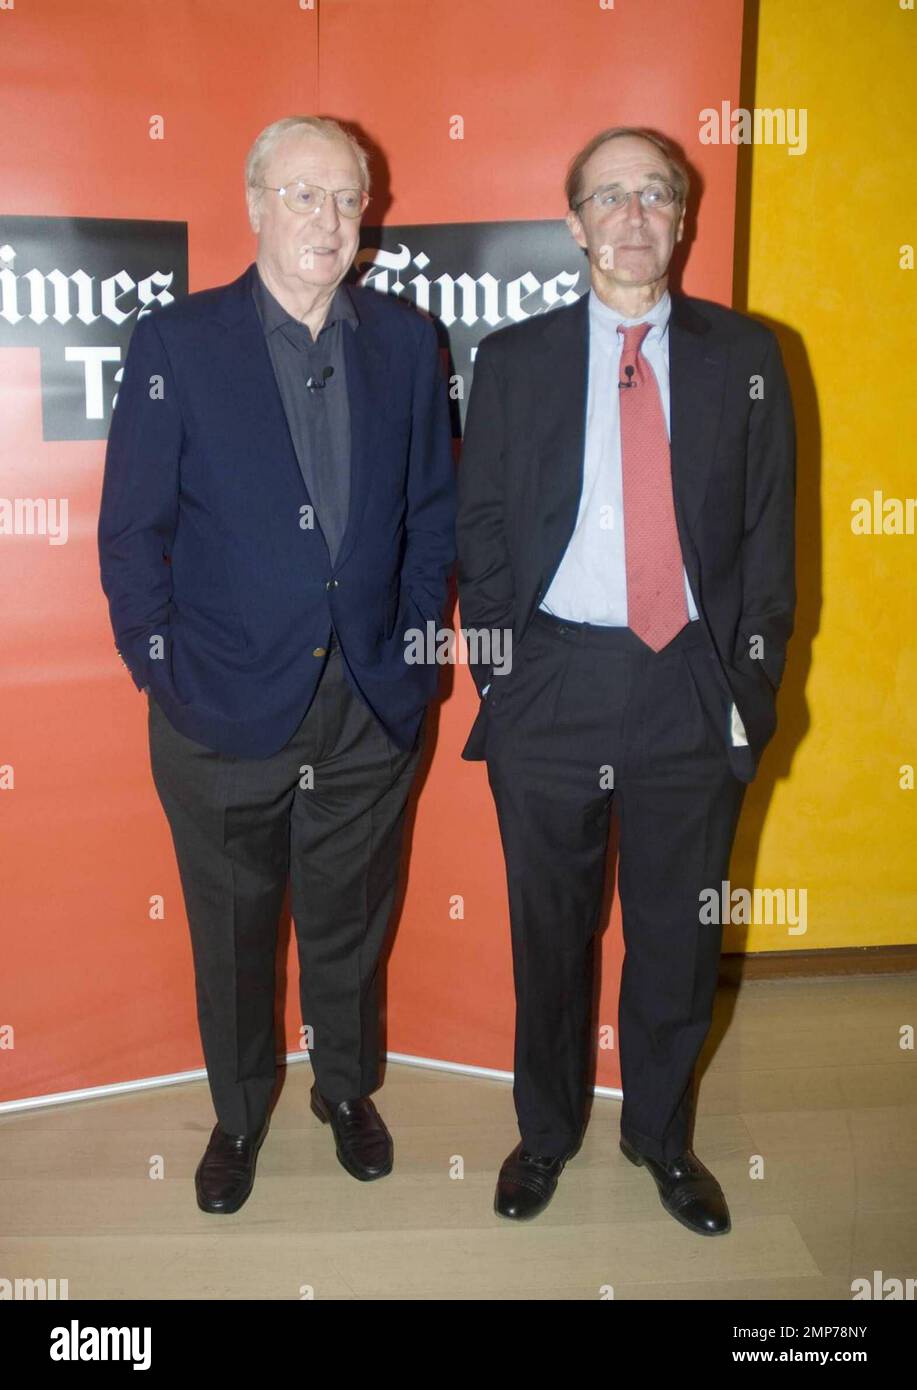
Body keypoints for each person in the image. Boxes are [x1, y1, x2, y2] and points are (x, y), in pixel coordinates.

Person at [98, 115, 455, 1214]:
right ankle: (239, 1113)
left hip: (366, 704)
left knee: (349, 917)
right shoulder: (178, 345)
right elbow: (131, 533)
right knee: (233, 928)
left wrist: (405, 648)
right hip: (218, 704)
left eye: (346, 198)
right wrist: (164, 670)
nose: (327, 218)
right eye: (302, 195)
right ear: (253, 203)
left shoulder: (407, 341)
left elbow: (431, 514)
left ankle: (344, 1091)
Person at [456, 126, 795, 1232]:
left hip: (687, 687)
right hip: (553, 680)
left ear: (682, 217)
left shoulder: (746, 357)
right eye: (609, 196)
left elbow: (767, 542)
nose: (634, 214)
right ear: (573, 223)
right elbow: (485, 532)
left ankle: (658, 1136)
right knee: (547, 932)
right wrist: (504, 682)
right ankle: (544, 1134)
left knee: (676, 934)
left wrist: (743, 696)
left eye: (655, 192)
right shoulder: (510, 362)